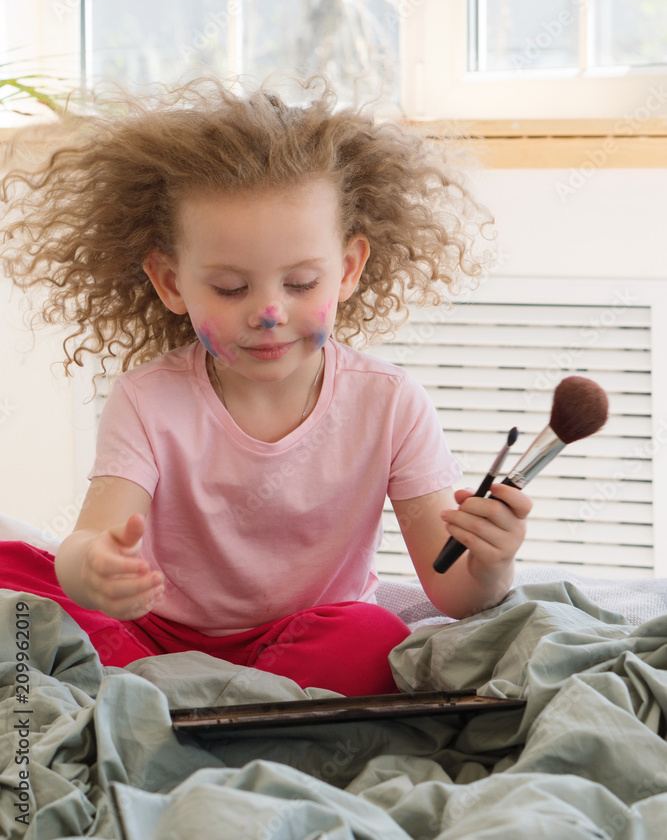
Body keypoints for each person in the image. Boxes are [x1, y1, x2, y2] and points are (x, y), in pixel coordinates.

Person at [0, 78, 532, 695]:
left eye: (302, 282)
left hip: (307, 637)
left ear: (349, 270)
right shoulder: (148, 399)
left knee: (372, 639)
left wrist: (492, 561)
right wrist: (93, 571)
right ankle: (206, 694)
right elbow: (90, 536)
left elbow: (453, 591)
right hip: (152, 632)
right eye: (230, 288)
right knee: (15, 575)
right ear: (171, 282)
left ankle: (173, 696)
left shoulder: (390, 404)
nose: (269, 313)